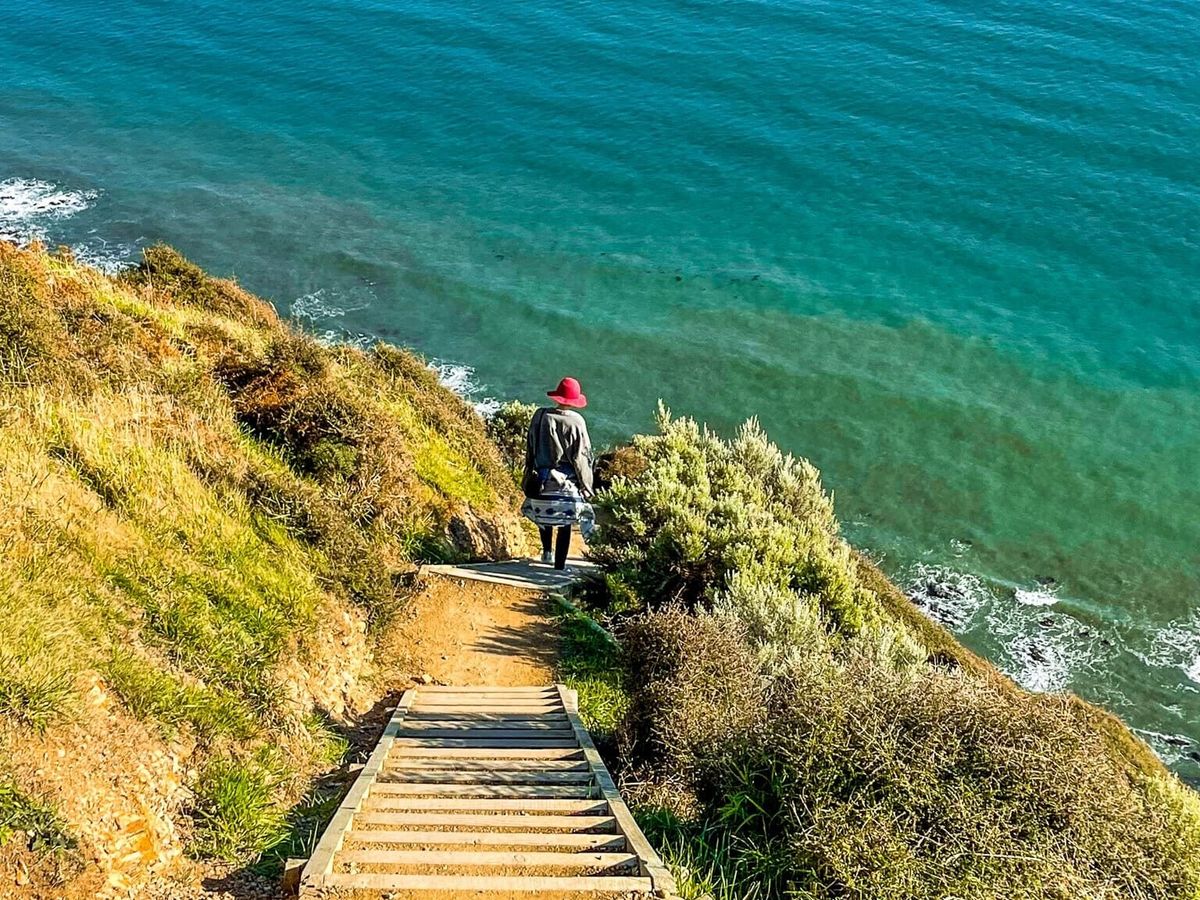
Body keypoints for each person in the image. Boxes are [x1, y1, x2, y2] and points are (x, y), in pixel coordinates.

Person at [521, 376, 595, 570]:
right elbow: (582, 458)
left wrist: (528, 472)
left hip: (541, 484)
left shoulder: (540, 415)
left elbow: (530, 447)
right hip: (565, 487)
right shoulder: (577, 422)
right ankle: (560, 566)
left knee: (544, 520)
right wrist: (587, 486)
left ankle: (547, 553)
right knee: (565, 524)